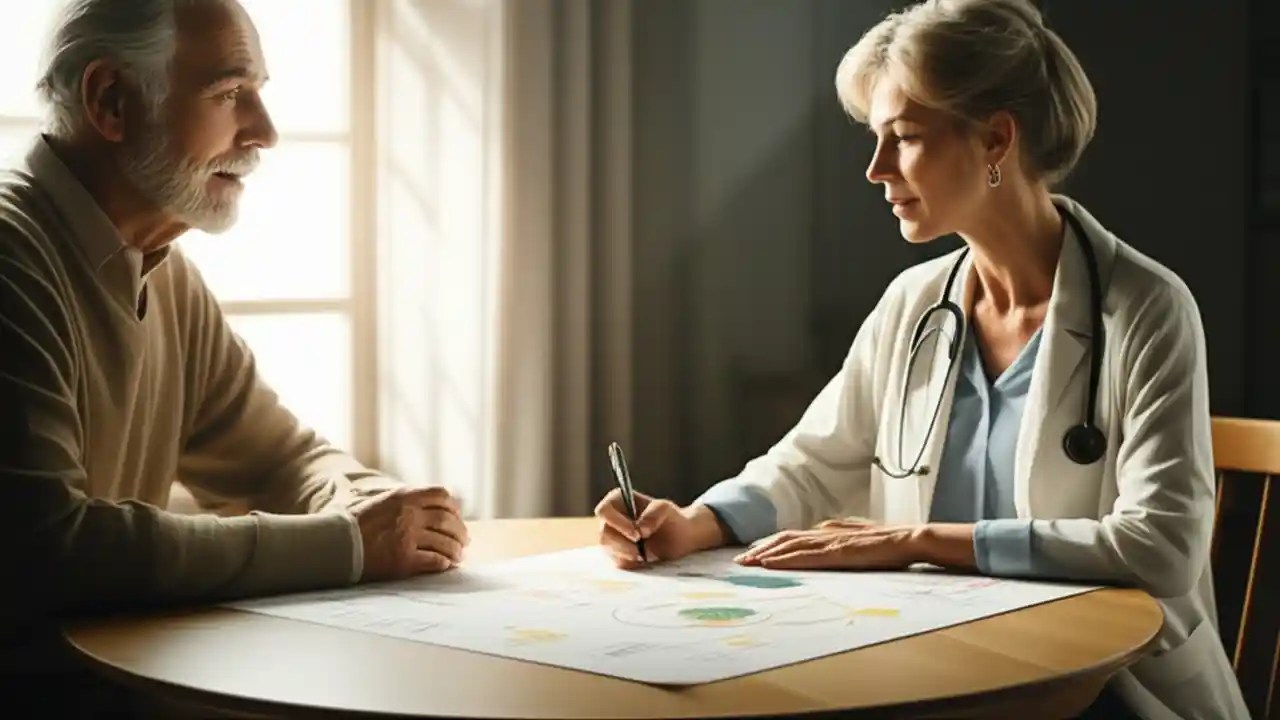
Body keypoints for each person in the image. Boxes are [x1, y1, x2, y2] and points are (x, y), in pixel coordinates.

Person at [594, 1, 1247, 717]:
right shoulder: (915, 302)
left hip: (1102, 686)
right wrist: (699, 523)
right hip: (941, 663)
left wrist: (918, 542)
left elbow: (1160, 548)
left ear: (996, 139)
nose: (875, 169)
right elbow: (816, 460)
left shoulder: (1148, 309)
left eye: (902, 138)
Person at [0, 0, 468, 701]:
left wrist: (382, 505)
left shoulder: (164, 268)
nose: (266, 131)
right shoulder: (12, 260)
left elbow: (280, 460)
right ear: (111, 100)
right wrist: (353, 544)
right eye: (228, 93)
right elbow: (52, 549)